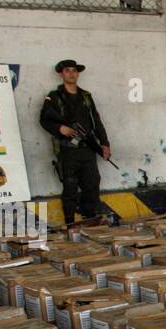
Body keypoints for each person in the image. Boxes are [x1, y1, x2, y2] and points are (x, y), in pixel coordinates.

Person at [40, 59, 111, 223]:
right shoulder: (54, 97)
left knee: (92, 184)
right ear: (61, 74)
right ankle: (70, 223)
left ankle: (90, 219)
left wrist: (104, 143)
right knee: (70, 187)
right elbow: (44, 120)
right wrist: (60, 129)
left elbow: (96, 121)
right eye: (67, 71)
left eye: (74, 70)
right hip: (68, 150)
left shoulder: (86, 96)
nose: (72, 74)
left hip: (88, 148)